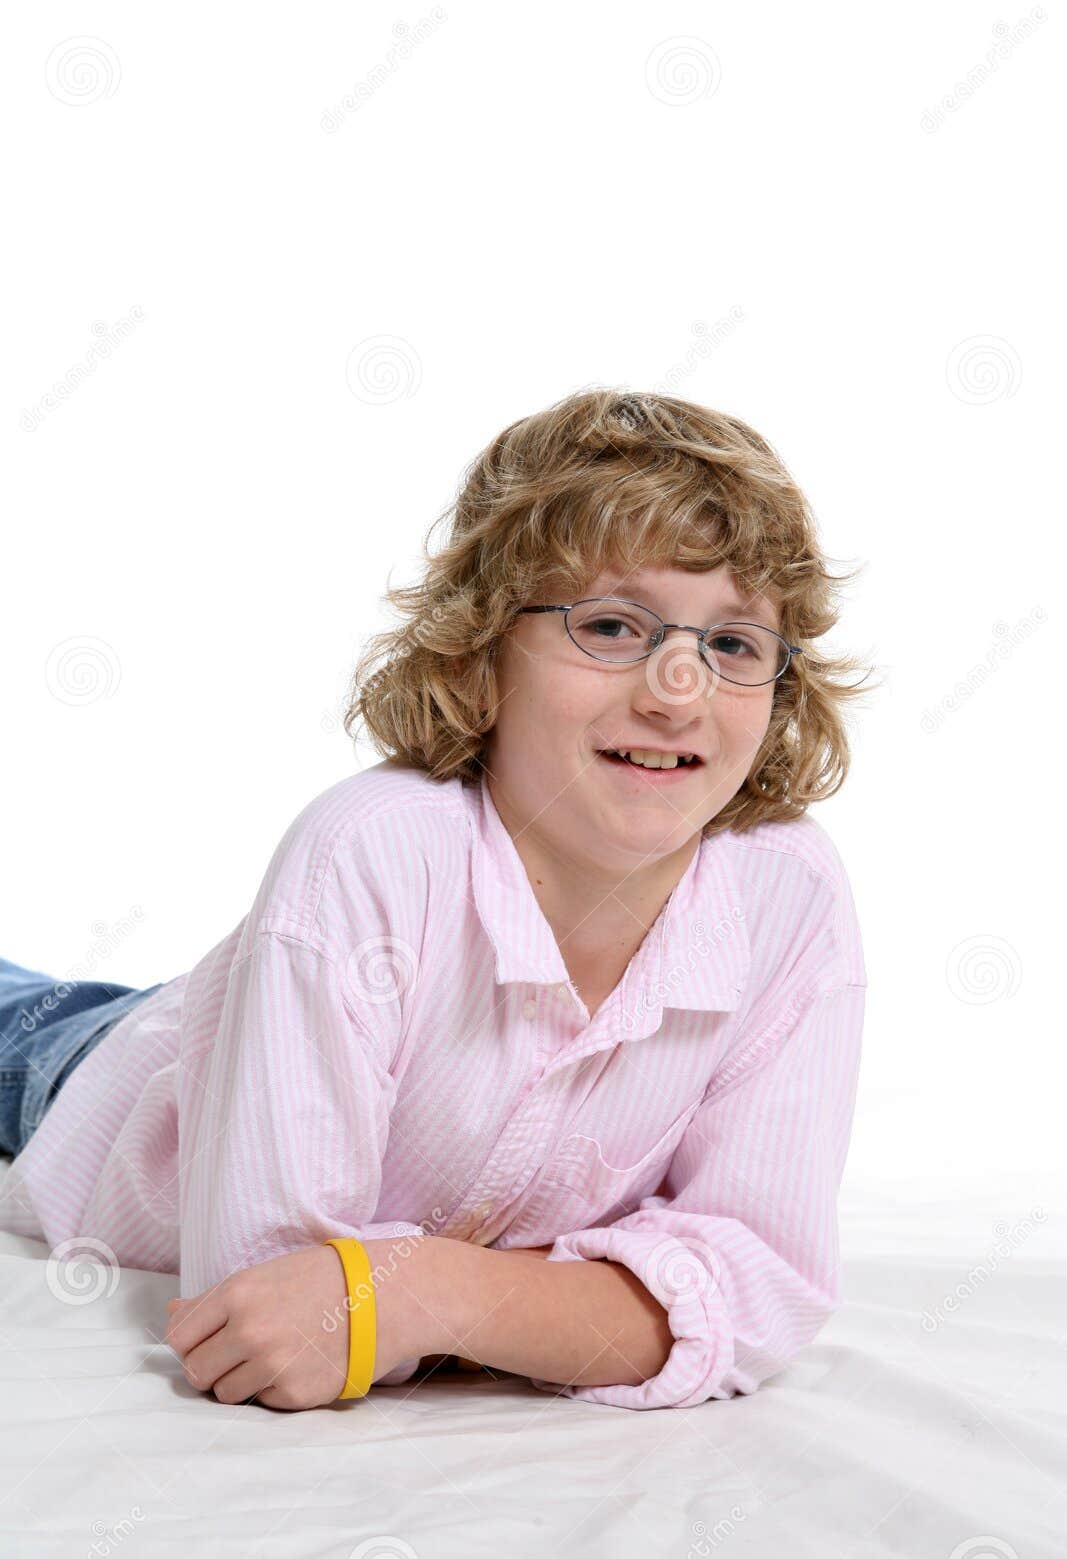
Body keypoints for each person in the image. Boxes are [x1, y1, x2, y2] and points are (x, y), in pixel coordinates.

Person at [0, 387, 876, 1412]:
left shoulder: (788, 894)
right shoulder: (366, 851)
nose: (676, 690)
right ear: (482, 648)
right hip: (99, 1071)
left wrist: (428, 1291)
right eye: (609, 624)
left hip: (267, 1005)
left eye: (730, 645)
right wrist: (582, 1301)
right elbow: (277, 1311)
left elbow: (758, 1286)